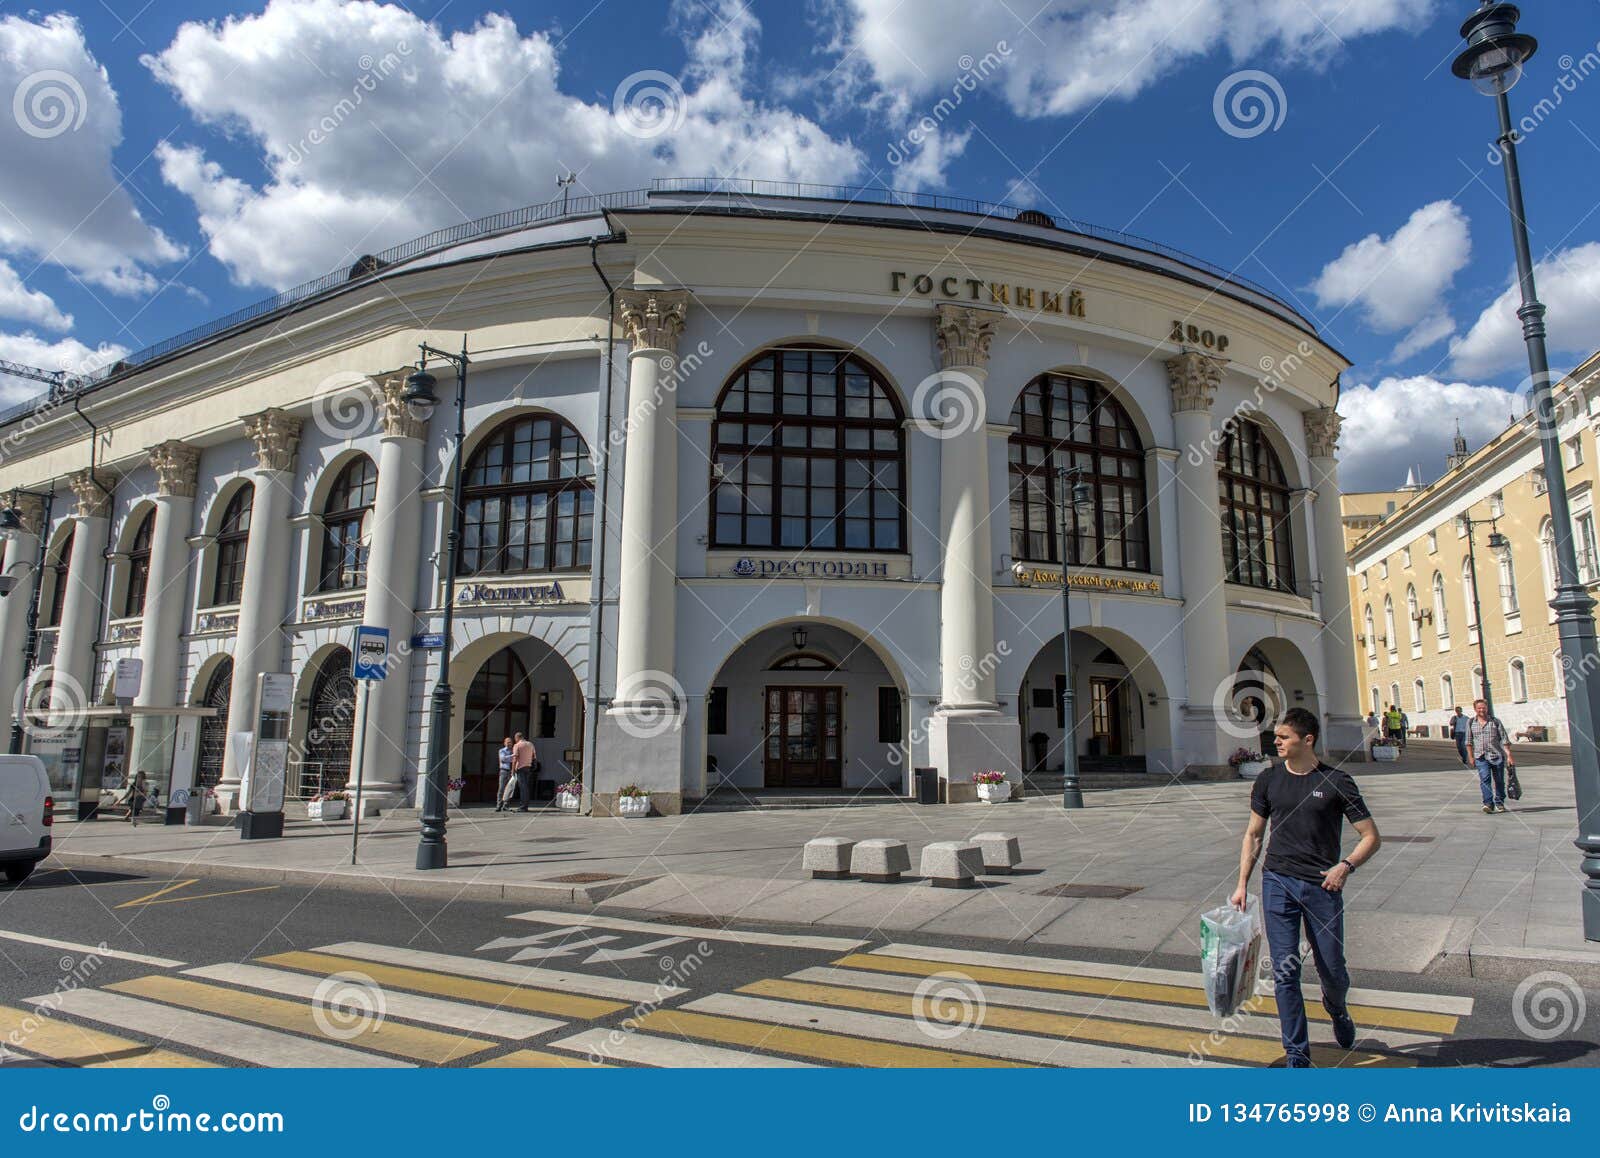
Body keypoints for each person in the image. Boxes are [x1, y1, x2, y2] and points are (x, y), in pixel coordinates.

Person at [1230, 707, 1382, 1068]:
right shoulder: (1268, 780)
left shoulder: (1336, 781)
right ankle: (1297, 1054)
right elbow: (1254, 834)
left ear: (1307, 740)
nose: (1276, 741)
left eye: (1284, 737)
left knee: (1332, 969)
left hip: (1322, 887)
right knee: (1285, 971)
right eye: (1277, 736)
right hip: (1278, 881)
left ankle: (1337, 1007)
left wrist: (1345, 867)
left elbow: (1370, 837)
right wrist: (1241, 885)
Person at [1467, 698, 1513, 814]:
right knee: (1485, 779)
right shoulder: (1471, 722)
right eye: (1479, 708)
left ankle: (1499, 802)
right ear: (1475, 709)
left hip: (1496, 756)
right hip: (1480, 757)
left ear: (1487, 708)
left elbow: (1504, 739)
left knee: (1499, 781)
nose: (1481, 710)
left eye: (1483, 707)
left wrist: (1509, 756)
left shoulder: (1495, 721)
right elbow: (1468, 741)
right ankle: (1488, 803)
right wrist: (1471, 757)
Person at [511, 731, 536, 813]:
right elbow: (534, 757)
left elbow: (515, 758)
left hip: (520, 768)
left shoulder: (517, 745)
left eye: (515, 739)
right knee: (526, 787)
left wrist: (513, 770)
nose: (515, 740)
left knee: (523, 788)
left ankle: (523, 807)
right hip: (528, 768)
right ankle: (525, 805)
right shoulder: (530, 744)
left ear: (517, 738)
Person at [494, 737, 515, 812]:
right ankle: (498, 805)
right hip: (504, 771)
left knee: (509, 789)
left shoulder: (513, 750)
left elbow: (514, 760)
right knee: (501, 789)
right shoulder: (502, 750)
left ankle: (506, 805)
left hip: (511, 772)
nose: (509, 743)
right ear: (504, 743)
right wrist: (512, 757)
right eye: (508, 742)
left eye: (510, 742)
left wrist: (510, 758)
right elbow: (503, 759)